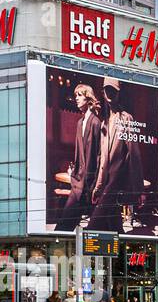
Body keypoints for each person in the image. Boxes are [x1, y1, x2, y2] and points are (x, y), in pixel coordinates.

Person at [87, 78, 146, 233]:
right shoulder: (104, 123)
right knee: (114, 227)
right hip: (106, 183)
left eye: (113, 90)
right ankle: (121, 256)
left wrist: (139, 189)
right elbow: (103, 161)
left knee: (92, 228)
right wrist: (98, 187)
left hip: (117, 181)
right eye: (107, 89)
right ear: (103, 93)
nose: (110, 93)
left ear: (119, 93)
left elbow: (134, 155)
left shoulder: (127, 119)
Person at [55, 83, 102, 231]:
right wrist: (75, 172)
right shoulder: (80, 123)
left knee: (66, 222)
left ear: (88, 98)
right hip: (78, 181)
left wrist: (92, 184)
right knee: (68, 222)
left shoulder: (95, 123)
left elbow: (98, 155)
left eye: (79, 95)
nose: (76, 99)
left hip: (88, 183)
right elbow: (78, 153)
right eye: (75, 96)